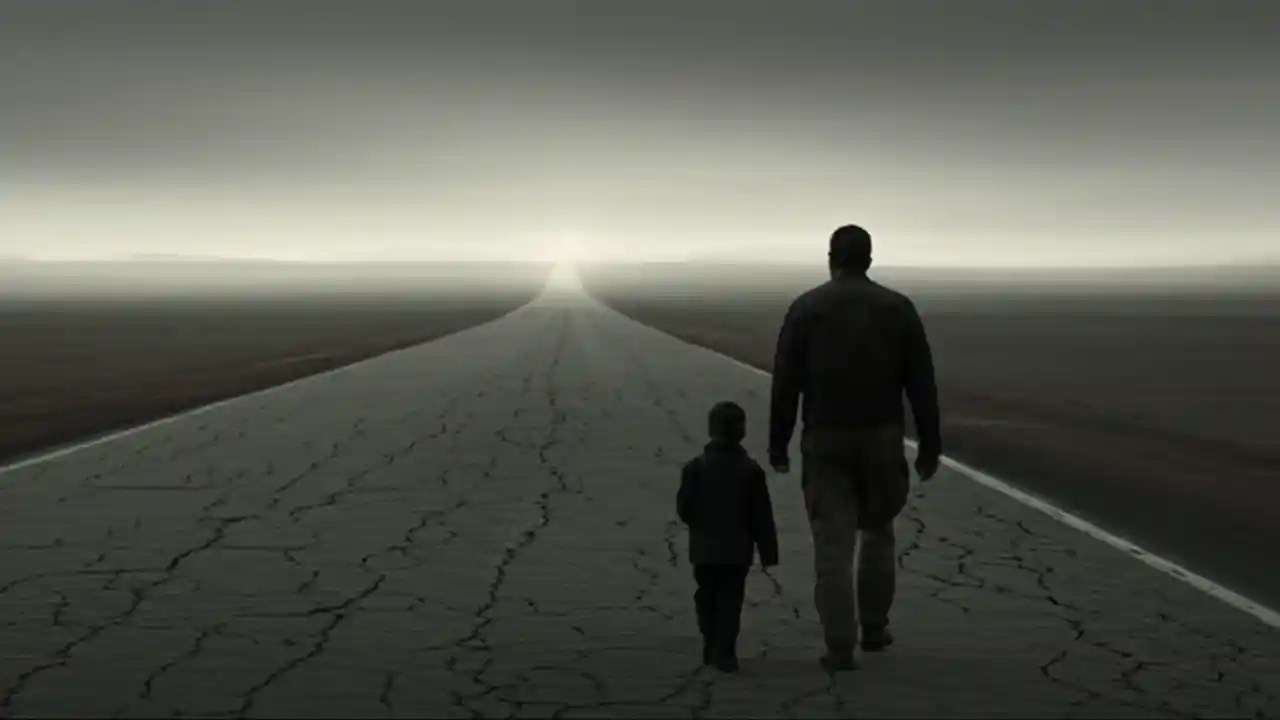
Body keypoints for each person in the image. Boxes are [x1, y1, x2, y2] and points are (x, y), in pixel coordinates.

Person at [768, 224, 942, 672]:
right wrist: (929, 443)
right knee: (879, 532)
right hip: (882, 438)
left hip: (825, 438)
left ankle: (839, 646)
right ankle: (874, 627)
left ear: (831, 258)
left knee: (833, 546)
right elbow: (921, 382)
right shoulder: (897, 308)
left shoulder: (807, 308)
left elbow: (785, 382)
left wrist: (778, 442)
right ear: (869, 259)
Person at [677, 400, 780, 673]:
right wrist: (768, 552)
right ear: (742, 432)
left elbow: (684, 509)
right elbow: (761, 516)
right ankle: (725, 649)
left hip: (704, 549)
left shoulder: (695, 468)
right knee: (730, 600)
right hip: (737, 551)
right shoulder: (750, 470)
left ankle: (710, 641)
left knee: (706, 596)